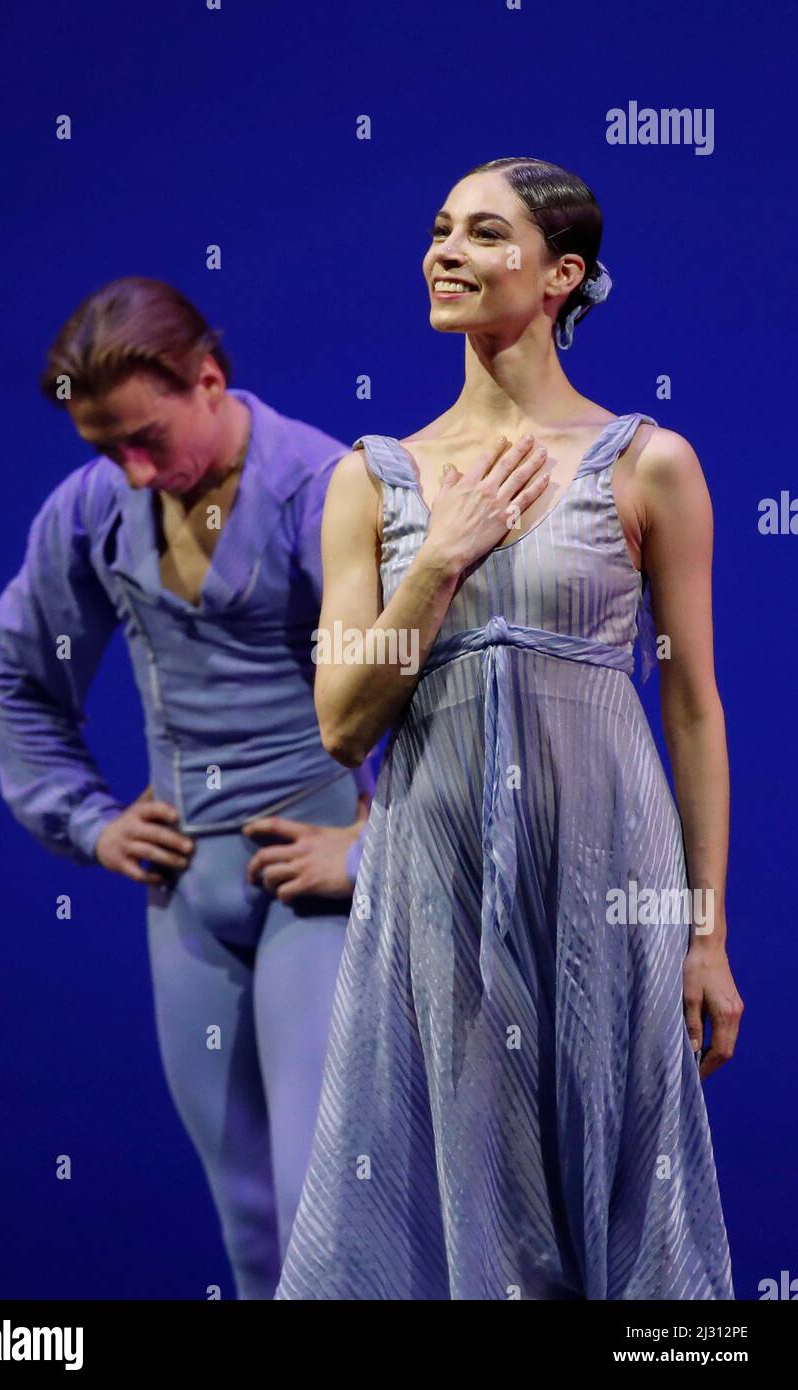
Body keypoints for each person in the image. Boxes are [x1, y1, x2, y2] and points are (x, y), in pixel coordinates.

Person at [275, 157, 743, 1301]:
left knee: (623, 1189)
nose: (444, 252)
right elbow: (342, 721)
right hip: (436, 873)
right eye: (438, 230)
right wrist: (438, 558)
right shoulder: (369, 479)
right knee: (463, 1184)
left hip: (601, 870)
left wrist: (701, 931)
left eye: (483, 234)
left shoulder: (647, 464)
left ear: (558, 275)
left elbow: (689, 705)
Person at [0, 277, 381, 1299]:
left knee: (319, 1212)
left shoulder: (324, 487)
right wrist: (89, 820)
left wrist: (375, 848)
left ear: (210, 379)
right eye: (104, 446)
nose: (133, 466)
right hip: (188, 901)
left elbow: (442, 691)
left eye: (147, 437)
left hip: (314, 895)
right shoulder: (100, 505)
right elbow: (17, 668)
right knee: (247, 1225)